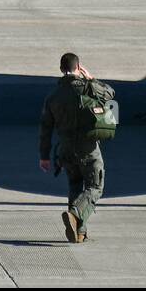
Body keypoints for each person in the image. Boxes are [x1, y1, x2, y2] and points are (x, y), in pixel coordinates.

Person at [38, 52, 115, 242]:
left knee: (74, 185)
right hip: (87, 148)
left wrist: (44, 156)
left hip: (65, 149)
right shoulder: (87, 88)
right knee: (95, 186)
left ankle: (79, 232)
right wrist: (90, 78)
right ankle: (76, 214)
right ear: (78, 67)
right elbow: (110, 94)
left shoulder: (53, 96)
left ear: (61, 69)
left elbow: (45, 128)